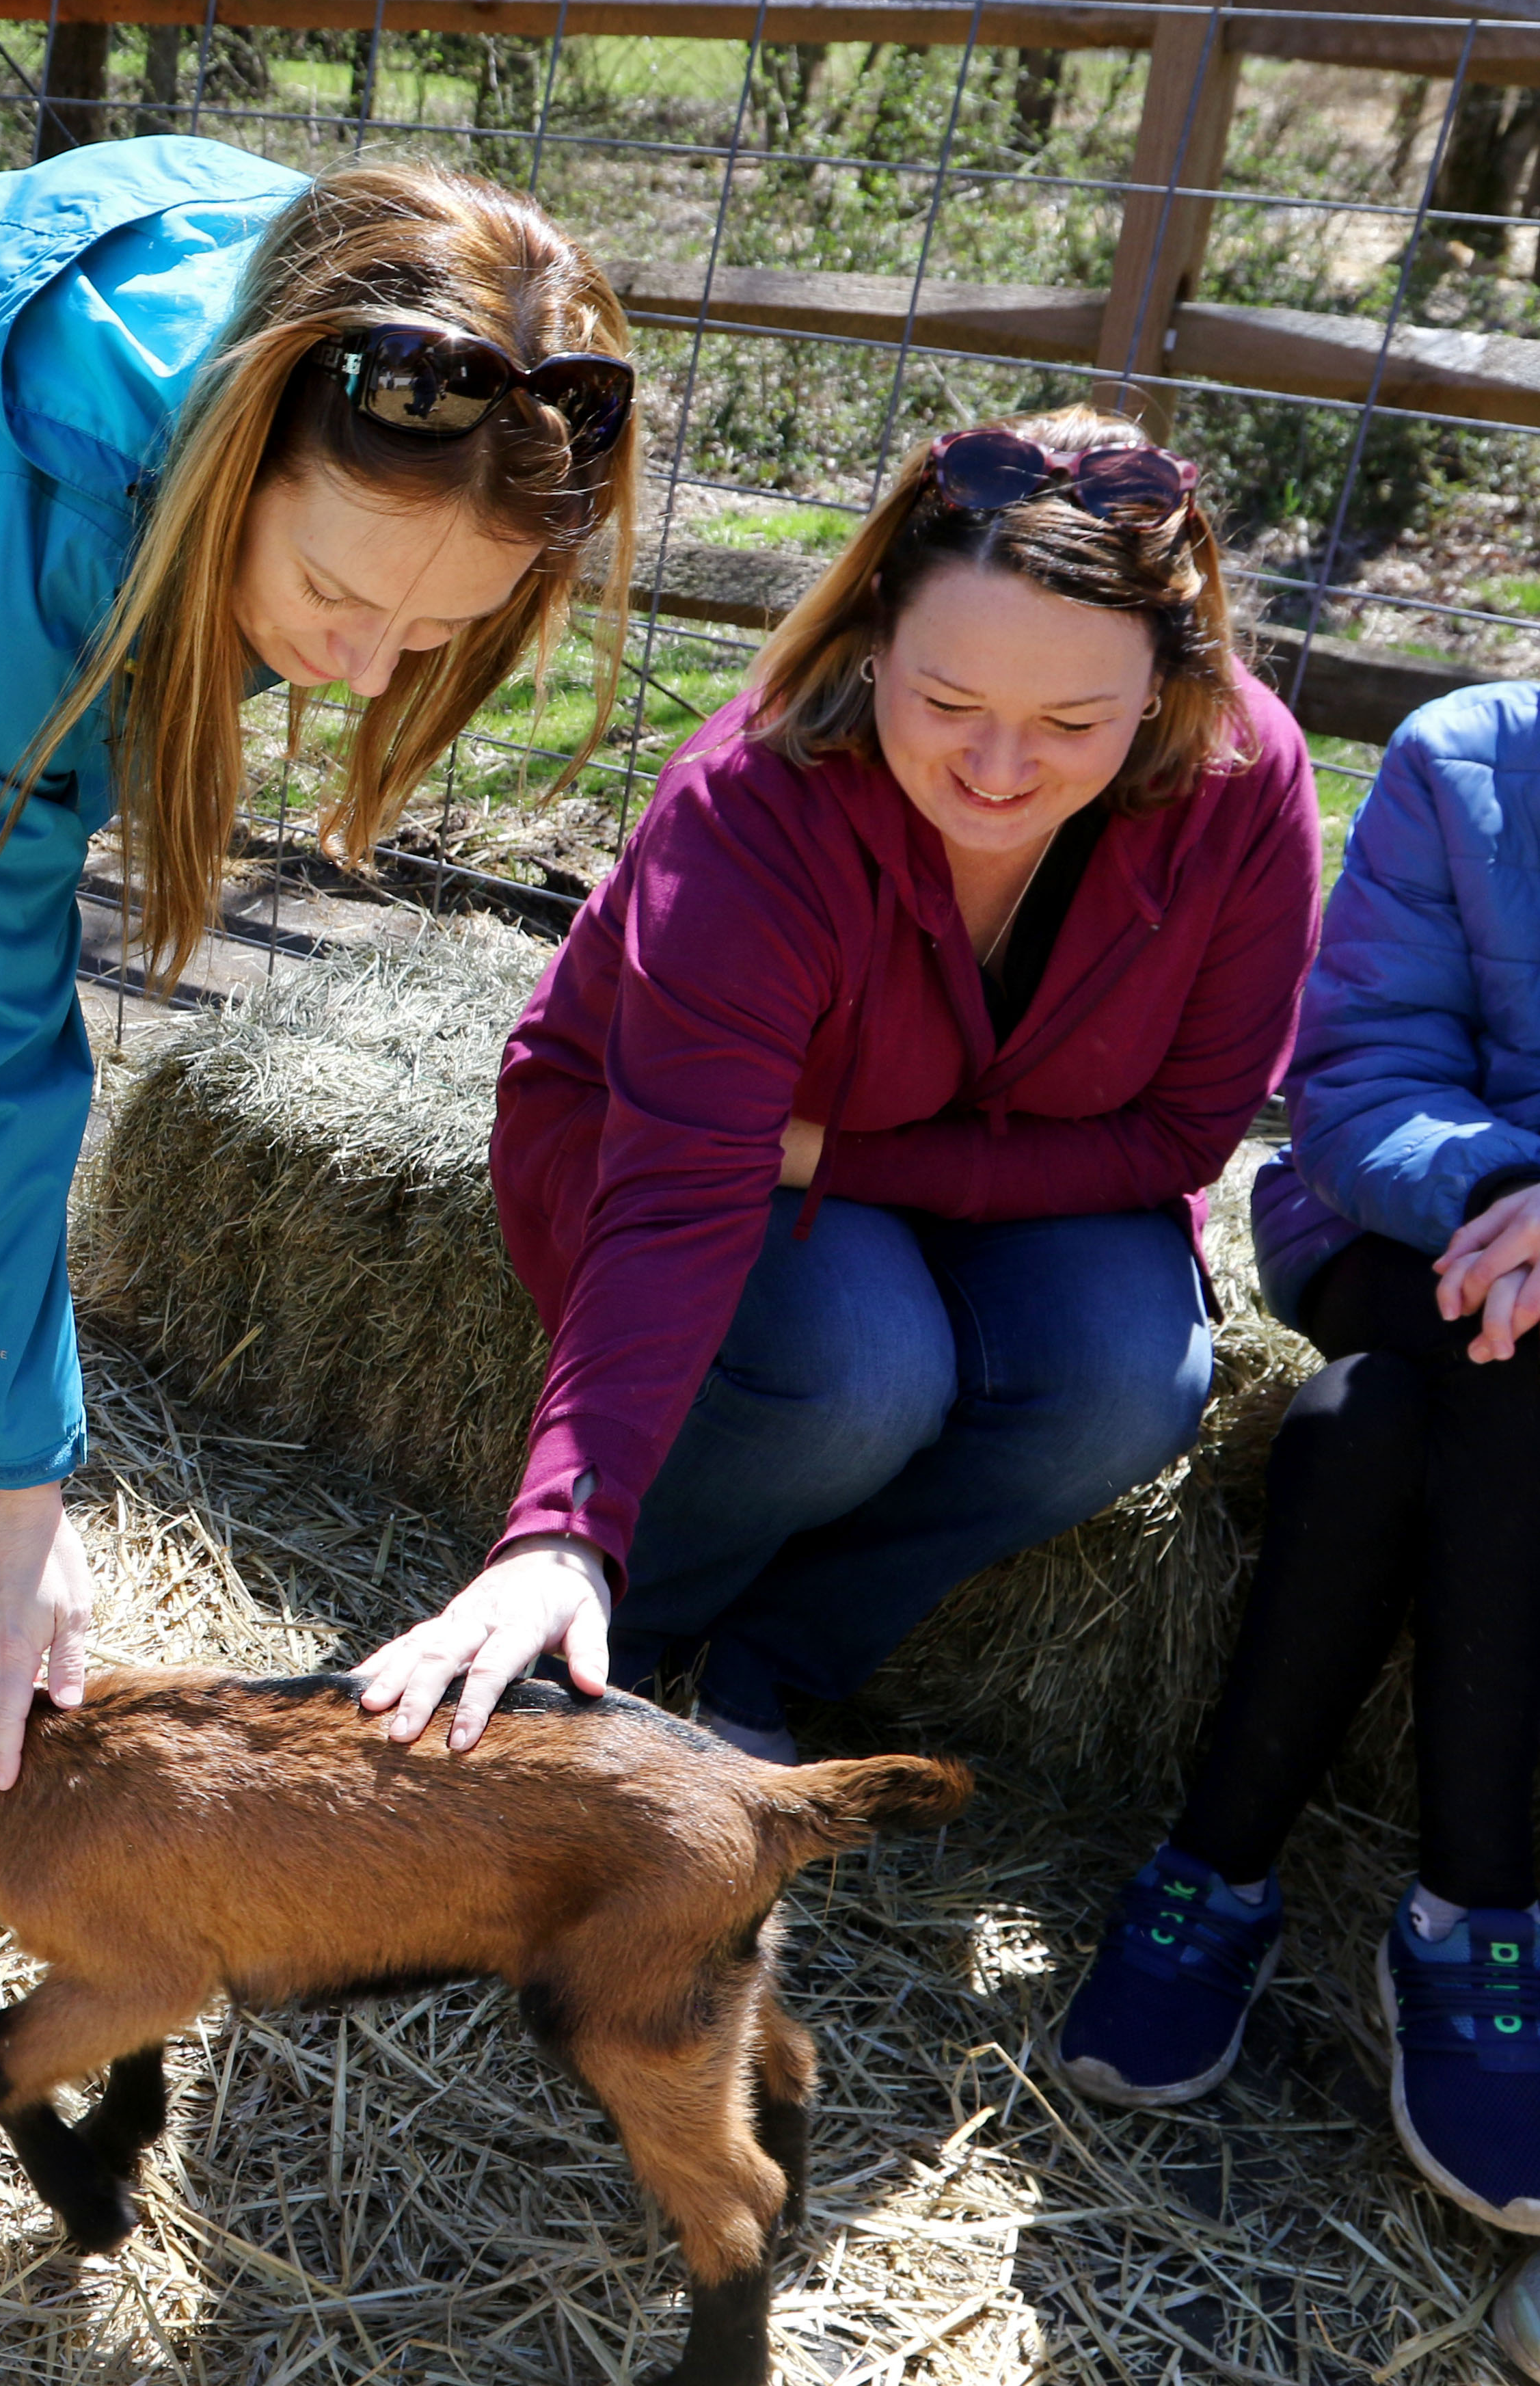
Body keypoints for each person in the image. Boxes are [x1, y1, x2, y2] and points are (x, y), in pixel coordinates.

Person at [0, 141, 643, 1971]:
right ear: (245, 445)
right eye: (337, 592)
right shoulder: (50, 533)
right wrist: (27, 1497)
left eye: (441, 629)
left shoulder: (338, 297)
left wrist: (9, 1490)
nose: (370, 666)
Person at [353, 410, 1323, 1766]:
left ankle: (777, 1659)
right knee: (855, 1372)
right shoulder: (747, 813)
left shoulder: (1245, 783)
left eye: (1069, 722)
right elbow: (676, 1197)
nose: (994, 770)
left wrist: (835, 1159)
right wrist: (562, 1526)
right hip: (704, 1160)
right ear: (872, 638)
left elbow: (1177, 1133)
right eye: (943, 702)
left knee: (1129, 1385)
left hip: (925, 1165)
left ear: (1163, 691)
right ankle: (603, 1656)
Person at [1053, 678, 1540, 2251]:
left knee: (1363, 1425)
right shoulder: (1467, 756)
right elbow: (1358, 1084)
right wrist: (1519, 1192)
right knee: (1515, 1344)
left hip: (1443, 1345)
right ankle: (1475, 1914)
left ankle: (1214, 1864)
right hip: (1408, 1228)